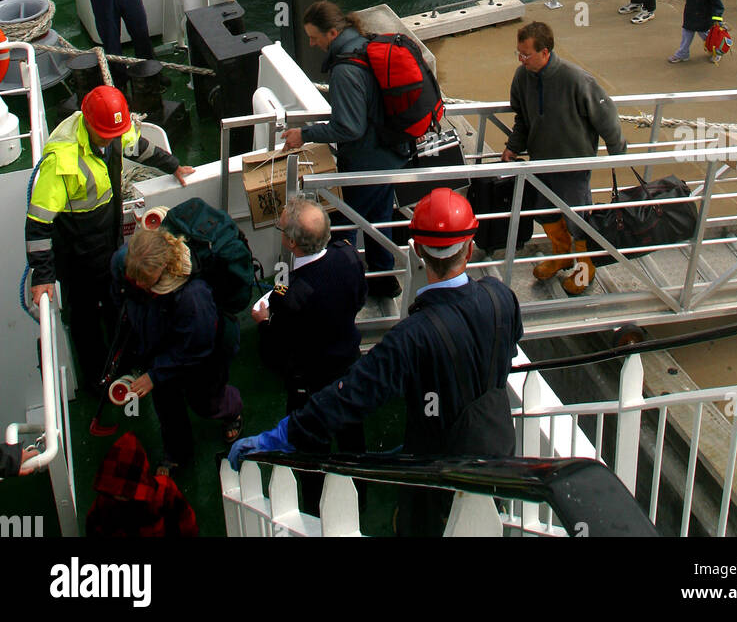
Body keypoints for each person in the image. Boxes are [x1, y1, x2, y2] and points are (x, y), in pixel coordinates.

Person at [229, 189, 522, 536]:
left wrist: (277, 436)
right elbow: (504, 350)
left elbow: (348, 395)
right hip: (496, 447)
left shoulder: (412, 336)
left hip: (432, 468)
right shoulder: (500, 295)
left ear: (416, 251)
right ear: (470, 248)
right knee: (355, 442)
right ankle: (361, 491)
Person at [25, 85, 193, 393]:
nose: (112, 140)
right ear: (88, 123)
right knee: (85, 318)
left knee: (118, 302)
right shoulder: (61, 161)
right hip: (77, 251)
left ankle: (125, 362)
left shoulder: (113, 131)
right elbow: (38, 223)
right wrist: (43, 275)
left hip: (109, 238)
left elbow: (137, 146)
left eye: (115, 134)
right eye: (106, 135)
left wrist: (173, 165)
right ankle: (94, 378)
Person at [281, 1, 410, 299]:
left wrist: (305, 134)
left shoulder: (345, 71)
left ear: (333, 33)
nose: (312, 43)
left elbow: (350, 127)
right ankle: (384, 278)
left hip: (368, 160)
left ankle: (343, 284)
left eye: (314, 37)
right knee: (378, 219)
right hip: (389, 154)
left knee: (340, 225)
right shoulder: (364, 47)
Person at [501, 21, 626, 295]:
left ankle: (585, 267)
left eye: (526, 54)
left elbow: (606, 118)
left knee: (579, 220)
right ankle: (561, 255)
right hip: (541, 162)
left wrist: (617, 151)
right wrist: (513, 146)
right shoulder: (522, 78)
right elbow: (522, 118)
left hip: (574, 166)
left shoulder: (577, 79)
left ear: (545, 52)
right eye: (518, 54)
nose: (521, 60)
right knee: (544, 213)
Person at [112, 223, 243, 475]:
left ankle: (232, 410)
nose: (138, 285)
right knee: (167, 407)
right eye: (134, 278)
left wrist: (154, 375)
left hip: (200, 355)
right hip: (157, 345)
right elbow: (120, 294)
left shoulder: (193, 297)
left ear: (164, 268)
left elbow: (197, 346)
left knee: (206, 402)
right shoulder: (124, 263)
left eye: (146, 281)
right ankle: (177, 454)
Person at [254, 195, 367, 414]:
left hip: (312, 375)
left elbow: (275, 349)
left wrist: (263, 322)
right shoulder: (348, 255)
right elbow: (360, 299)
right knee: (351, 426)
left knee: (308, 432)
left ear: (291, 242)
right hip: (349, 360)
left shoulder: (290, 295)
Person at [86, 433, 198, 538]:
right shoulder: (103, 503)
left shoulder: (165, 491)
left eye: (126, 492)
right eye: (115, 491)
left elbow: (186, 522)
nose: (119, 496)